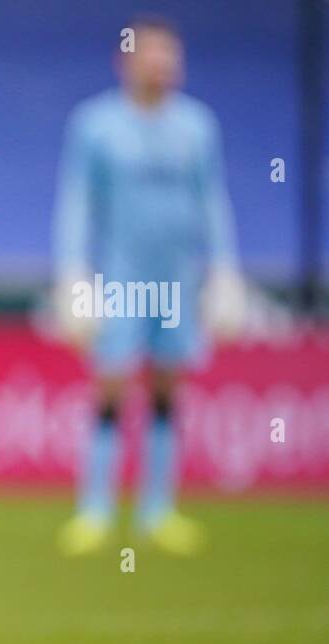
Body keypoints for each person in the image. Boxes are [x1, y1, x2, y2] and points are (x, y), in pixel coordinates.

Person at [52, 15, 240, 557]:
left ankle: (158, 509)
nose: (161, 65)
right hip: (121, 276)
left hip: (177, 277)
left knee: (166, 386)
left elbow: (212, 200)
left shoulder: (198, 126)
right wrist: (72, 272)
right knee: (111, 382)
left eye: (169, 55)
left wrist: (224, 269)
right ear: (126, 61)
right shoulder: (95, 124)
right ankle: (95, 508)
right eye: (151, 54)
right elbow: (77, 202)